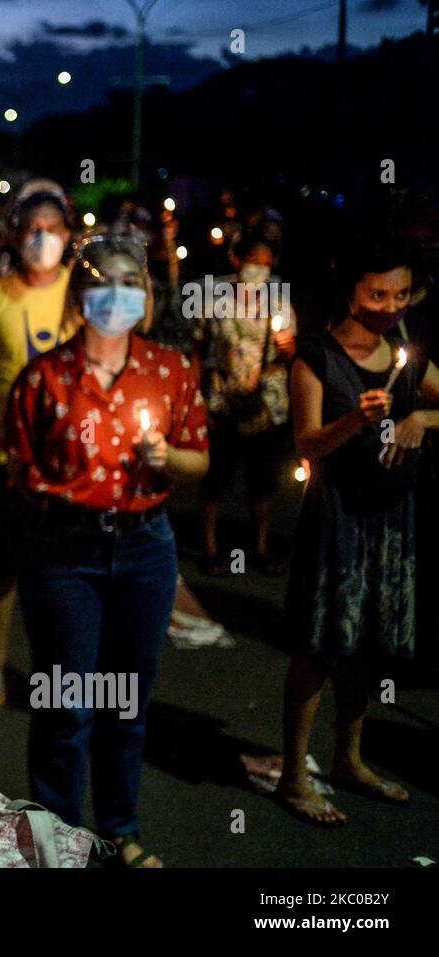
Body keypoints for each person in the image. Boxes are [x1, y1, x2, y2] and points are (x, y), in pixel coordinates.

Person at [4, 229, 210, 868]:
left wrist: (166, 457)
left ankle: (120, 831)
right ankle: (58, 840)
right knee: (66, 706)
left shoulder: (171, 371)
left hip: (146, 550)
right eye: (102, 283)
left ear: (145, 295)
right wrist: (59, 494)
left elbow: (199, 462)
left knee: (126, 704)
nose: (115, 296)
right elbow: (18, 467)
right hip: (65, 556)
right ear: (80, 294)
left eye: (130, 283)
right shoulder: (44, 377)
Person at [276, 239, 438, 825]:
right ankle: (295, 774)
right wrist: (356, 420)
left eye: (401, 294)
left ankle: (349, 759)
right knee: (319, 645)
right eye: (377, 294)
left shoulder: (404, 351)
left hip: (391, 517)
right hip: (337, 516)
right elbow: (307, 443)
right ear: (350, 292)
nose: (390, 306)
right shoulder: (316, 356)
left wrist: (423, 416)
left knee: (367, 641)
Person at [0, 180, 74, 708]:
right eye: (32, 230)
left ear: (69, 234)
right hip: (9, 454)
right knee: (4, 569)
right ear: (14, 235)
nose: (42, 239)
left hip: (70, 456)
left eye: (52, 230)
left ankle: (61, 674)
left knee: (64, 570)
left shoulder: (84, 292)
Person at [197, 235, 298, 575]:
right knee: (216, 476)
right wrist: (197, 398)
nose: (260, 270)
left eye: (268, 264)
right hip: (222, 398)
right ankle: (210, 548)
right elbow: (200, 346)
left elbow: (292, 353)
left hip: (265, 404)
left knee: (262, 480)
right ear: (236, 261)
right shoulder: (214, 296)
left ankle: (261, 547)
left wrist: (287, 350)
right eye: (254, 261)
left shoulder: (279, 301)